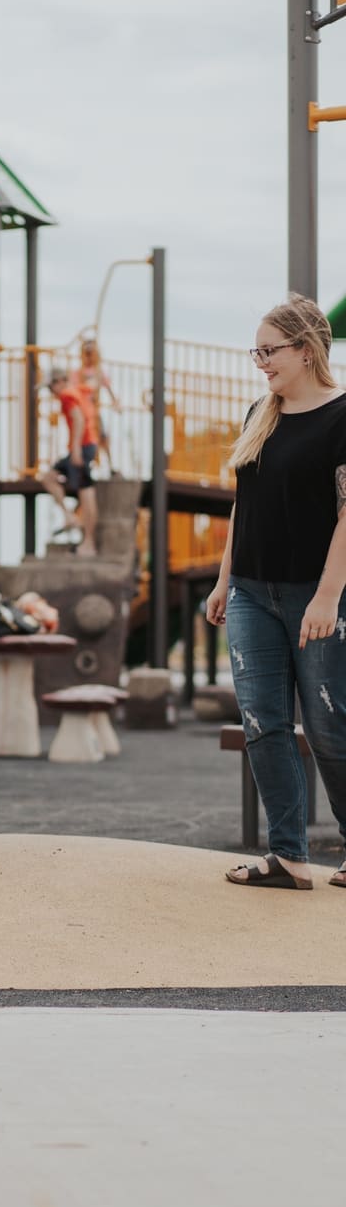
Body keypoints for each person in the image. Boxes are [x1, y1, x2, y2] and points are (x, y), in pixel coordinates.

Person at [206, 292, 346, 892]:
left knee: (329, 727)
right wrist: (222, 580)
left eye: (270, 351)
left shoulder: (343, 416)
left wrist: (327, 595)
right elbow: (246, 505)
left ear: (307, 349)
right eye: (256, 351)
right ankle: (287, 857)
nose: (261, 362)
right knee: (263, 723)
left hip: (315, 596)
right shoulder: (256, 414)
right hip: (249, 594)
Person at [40, 371, 99, 555]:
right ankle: (69, 516)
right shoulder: (78, 390)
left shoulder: (66, 396)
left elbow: (78, 419)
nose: (51, 393)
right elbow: (93, 383)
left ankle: (89, 543)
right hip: (88, 445)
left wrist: (75, 449)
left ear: (59, 382)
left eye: (51, 388)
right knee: (49, 477)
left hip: (83, 446)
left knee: (86, 492)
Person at [70, 336, 118, 473]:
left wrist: (115, 402)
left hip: (94, 411)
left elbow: (109, 389)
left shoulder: (98, 372)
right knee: (84, 439)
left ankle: (110, 464)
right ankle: (84, 464)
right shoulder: (77, 373)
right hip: (81, 411)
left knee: (102, 436)